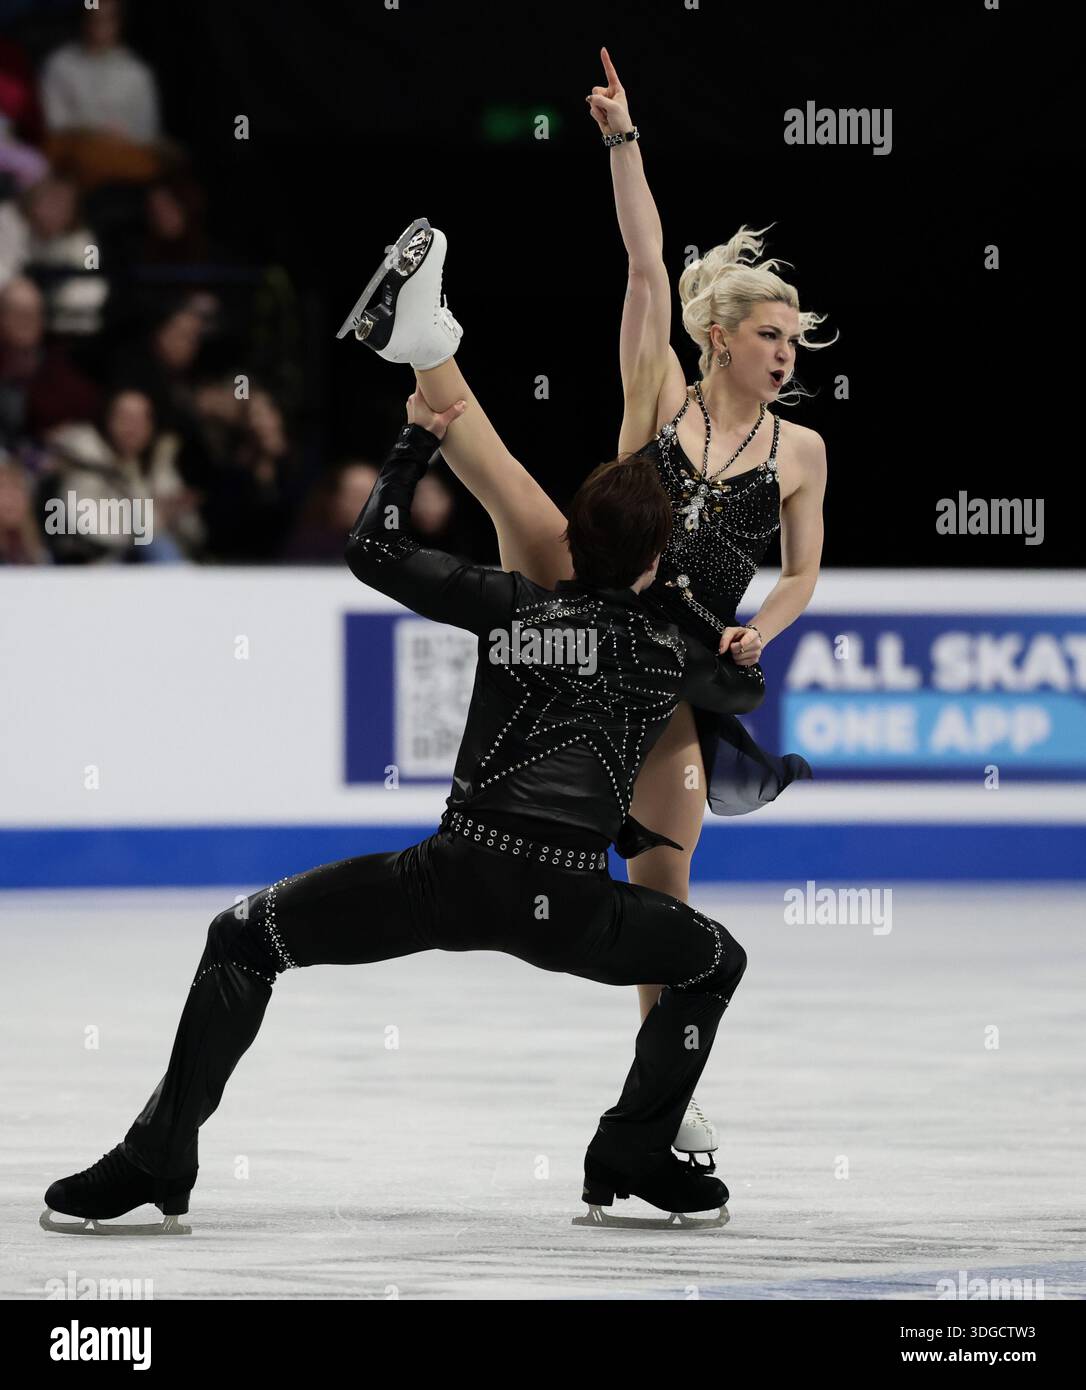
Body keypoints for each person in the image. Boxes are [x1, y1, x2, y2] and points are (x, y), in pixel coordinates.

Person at [42, 389, 765, 1235]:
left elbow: (372, 548)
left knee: (244, 937)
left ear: (572, 538)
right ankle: (632, 1153)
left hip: (451, 882)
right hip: (574, 910)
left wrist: (415, 441)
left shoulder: (513, 607)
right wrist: (718, 632)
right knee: (713, 961)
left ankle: (158, 1155)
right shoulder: (668, 652)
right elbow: (741, 688)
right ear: (650, 563)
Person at [337, 160, 828, 1164]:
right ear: (722, 336)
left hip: (671, 672)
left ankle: (660, 1092)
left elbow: (803, 574)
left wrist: (761, 631)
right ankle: (424, 336)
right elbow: (645, 264)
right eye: (770, 333)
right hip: (595, 593)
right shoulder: (658, 396)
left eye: (795, 336)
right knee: (520, 499)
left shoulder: (803, 450)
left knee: (664, 892)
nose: (786, 351)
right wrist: (627, 144)